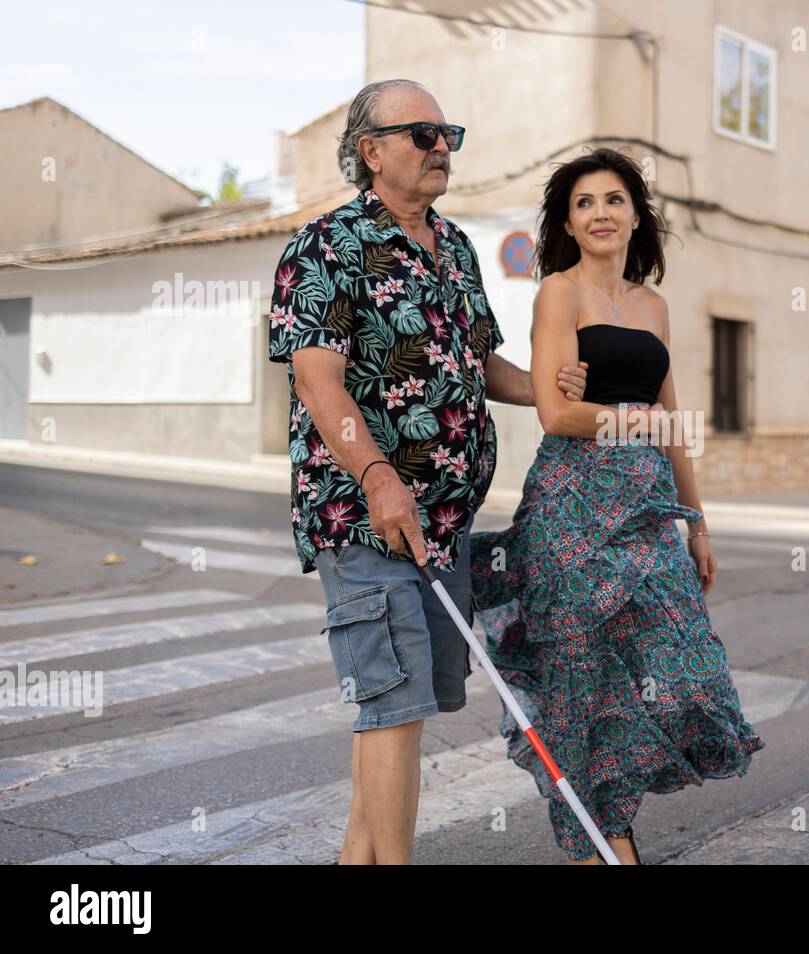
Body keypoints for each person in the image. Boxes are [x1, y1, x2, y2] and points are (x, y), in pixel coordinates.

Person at [267, 78, 588, 864]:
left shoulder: (455, 248)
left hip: (445, 525)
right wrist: (378, 477)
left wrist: (554, 388)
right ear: (369, 151)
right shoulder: (325, 247)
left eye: (448, 132)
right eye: (422, 134)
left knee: (401, 709)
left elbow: (481, 365)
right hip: (363, 514)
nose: (441, 145)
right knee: (393, 702)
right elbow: (318, 381)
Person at [469, 147, 764, 865]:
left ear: (635, 214)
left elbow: (674, 423)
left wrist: (697, 524)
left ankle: (608, 832)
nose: (600, 213)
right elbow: (557, 417)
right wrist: (636, 419)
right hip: (570, 516)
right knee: (579, 690)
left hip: (646, 515)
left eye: (613, 200)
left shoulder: (655, 306)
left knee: (687, 672)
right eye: (583, 203)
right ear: (568, 224)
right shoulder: (558, 293)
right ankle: (603, 844)